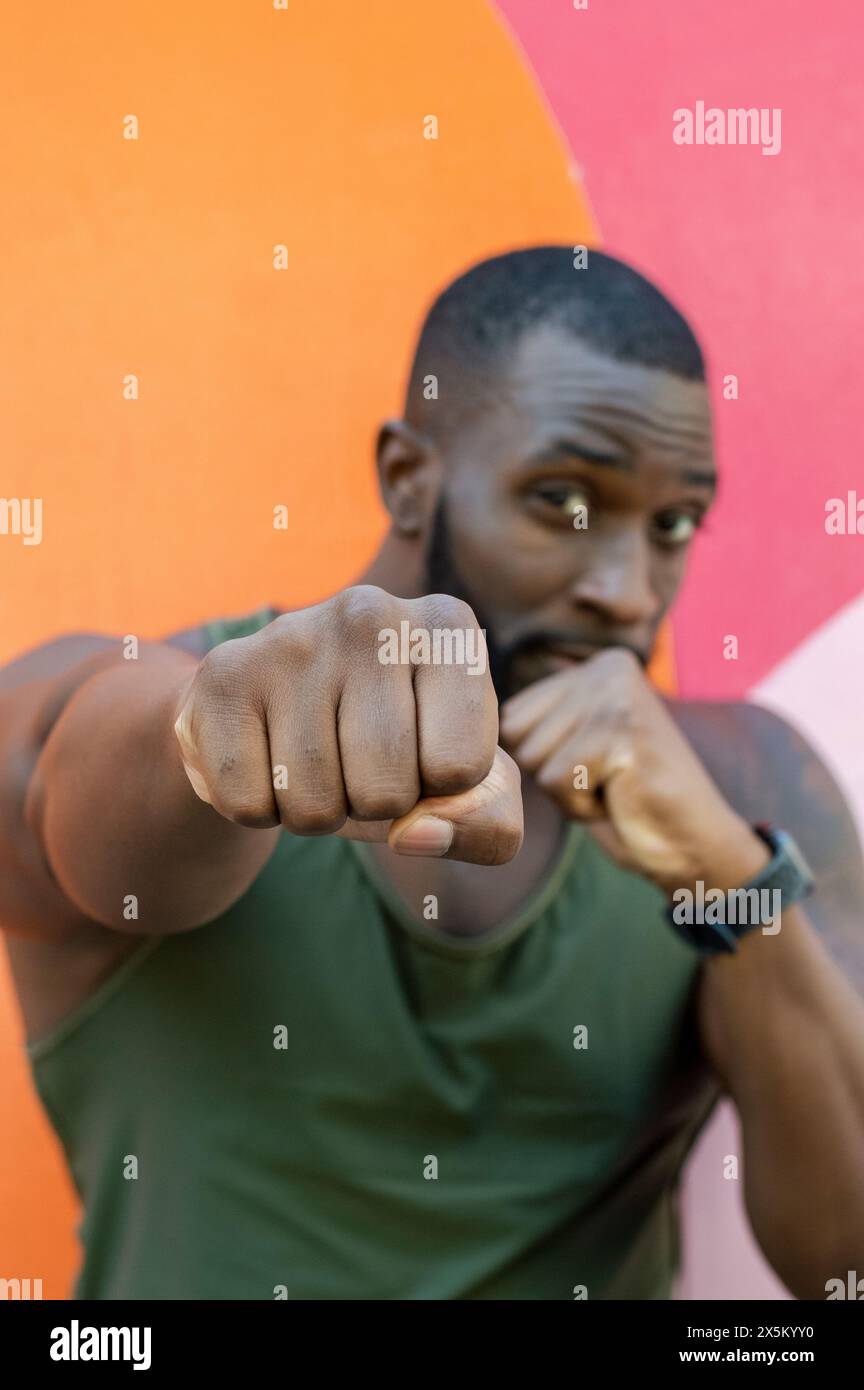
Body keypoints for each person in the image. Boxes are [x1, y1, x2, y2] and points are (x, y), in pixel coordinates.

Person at [2, 248, 863, 1300]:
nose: (628, 591)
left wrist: (733, 883)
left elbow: (847, 1268)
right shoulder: (173, 694)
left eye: (673, 524)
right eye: (563, 499)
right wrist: (217, 732)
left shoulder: (744, 779)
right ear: (410, 479)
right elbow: (53, 781)